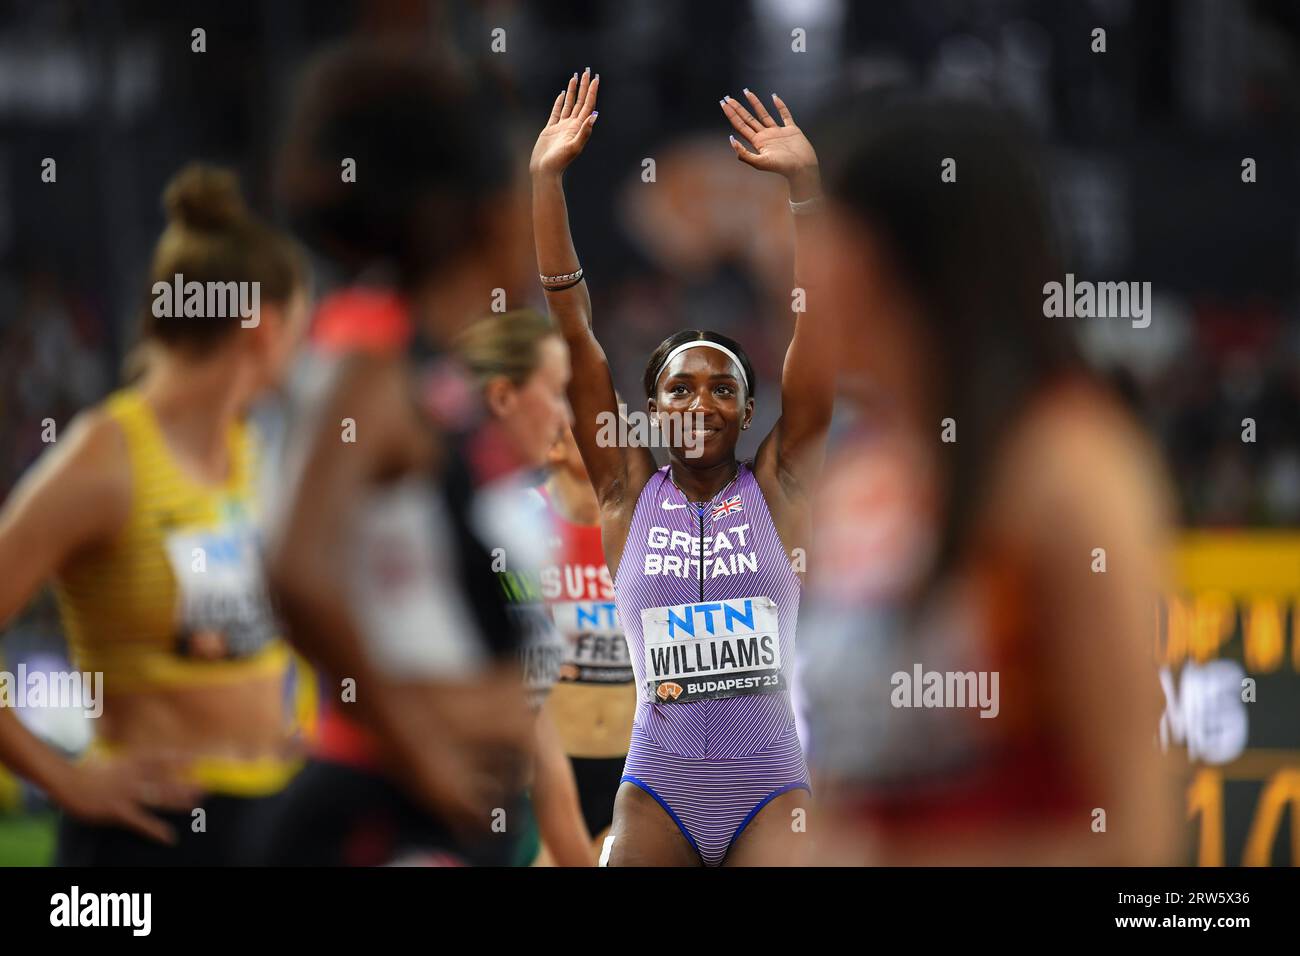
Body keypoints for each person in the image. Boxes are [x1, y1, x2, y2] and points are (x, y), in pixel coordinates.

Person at [795, 91, 1181, 864]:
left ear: (881, 260)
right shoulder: (869, 468)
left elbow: (1140, 842)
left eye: (819, 234)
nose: (795, 270)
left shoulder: (1069, 465)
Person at [530, 69, 836, 866]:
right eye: (680, 388)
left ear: (746, 409)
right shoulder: (624, 492)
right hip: (658, 785)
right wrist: (545, 182)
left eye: (722, 389)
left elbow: (819, 329)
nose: (700, 404)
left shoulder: (779, 484)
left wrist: (805, 189)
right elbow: (573, 328)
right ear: (653, 407)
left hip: (768, 784)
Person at [260, 42, 538, 866]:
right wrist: (420, 749)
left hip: (448, 805)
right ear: (488, 211)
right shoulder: (374, 367)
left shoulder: (439, 372)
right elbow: (294, 571)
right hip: (386, 813)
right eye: (537, 194)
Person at [0, 163, 309, 865]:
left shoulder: (252, 447)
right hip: (144, 840)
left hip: (265, 824)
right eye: (299, 325)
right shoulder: (102, 461)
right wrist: (67, 780)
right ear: (262, 328)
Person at [453, 309, 594, 867]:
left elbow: (534, 723)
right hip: (430, 819)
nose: (565, 418)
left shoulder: (522, 521)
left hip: (499, 825)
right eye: (557, 394)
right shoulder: (435, 514)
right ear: (503, 397)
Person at [537, 425, 635, 859]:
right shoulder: (522, 523)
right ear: (555, 444)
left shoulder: (642, 528)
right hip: (548, 767)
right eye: (594, 426)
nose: (611, 435)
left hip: (628, 766)